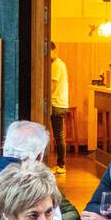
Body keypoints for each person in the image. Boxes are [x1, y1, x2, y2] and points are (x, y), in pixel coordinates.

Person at [50, 41, 70, 177]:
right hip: (59, 103)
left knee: (58, 136)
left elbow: (52, 85)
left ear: (53, 50)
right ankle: (60, 164)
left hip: (56, 103)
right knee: (58, 135)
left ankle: (61, 165)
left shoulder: (56, 65)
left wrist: (43, 98)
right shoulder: (58, 64)